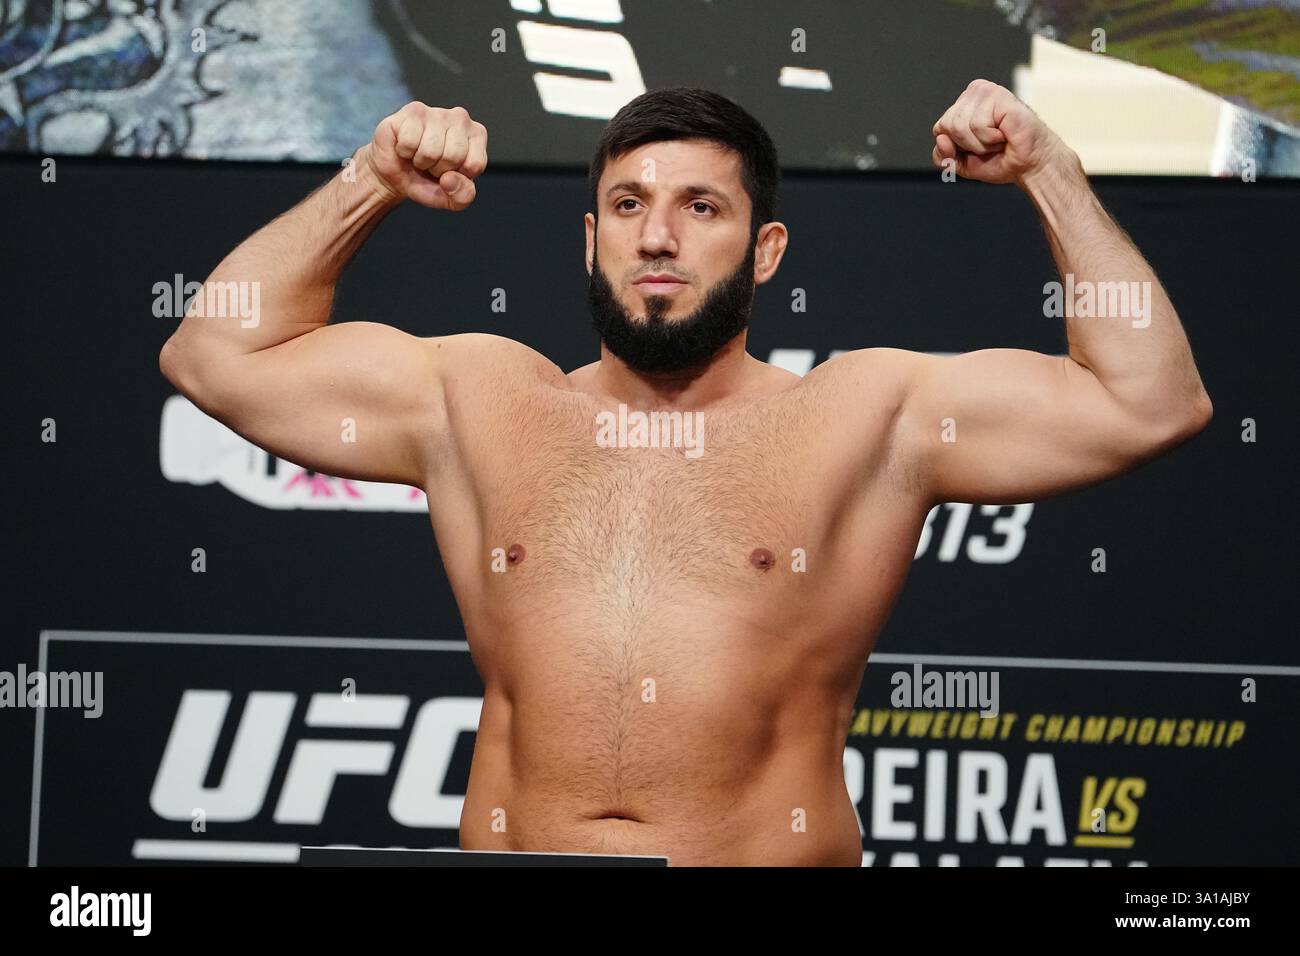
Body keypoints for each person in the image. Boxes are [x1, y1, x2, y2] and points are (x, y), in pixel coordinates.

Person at [159, 83, 1212, 866]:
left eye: (702, 208)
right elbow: (211, 352)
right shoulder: (476, 398)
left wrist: (1047, 169)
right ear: (588, 238)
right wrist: (372, 181)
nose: (657, 236)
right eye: (627, 205)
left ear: (765, 251)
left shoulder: (864, 414)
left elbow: (1148, 397)